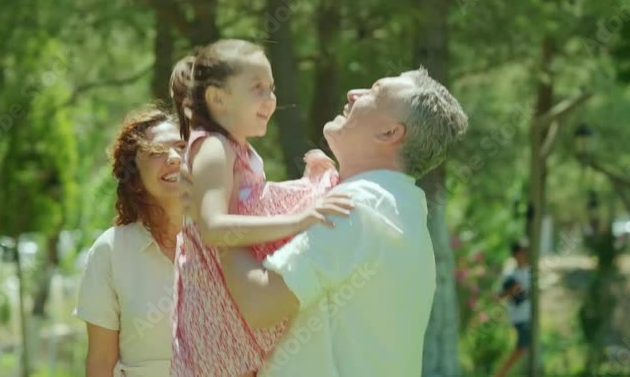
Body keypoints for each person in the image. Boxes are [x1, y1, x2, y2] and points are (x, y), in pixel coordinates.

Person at [184, 68, 468, 377]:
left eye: (373, 91)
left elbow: (259, 302)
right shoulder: (403, 212)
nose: (353, 93)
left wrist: (221, 213)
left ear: (389, 133)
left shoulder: (357, 209)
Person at [168, 39, 349, 377]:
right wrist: (300, 218)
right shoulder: (213, 148)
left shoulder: (235, 148)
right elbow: (214, 227)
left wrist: (307, 184)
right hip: (212, 315)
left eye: (272, 88)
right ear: (218, 99)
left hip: (228, 304)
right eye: (257, 89)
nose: (270, 99)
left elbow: (254, 203)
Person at [75, 106, 186, 377]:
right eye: (156, 152)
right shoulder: (110, 252)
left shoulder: (225, 241)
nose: (173, 157)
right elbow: (100, 362)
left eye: (181, 147)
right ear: (134, 179)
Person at [493, 239, 531, 377]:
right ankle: (500, 374)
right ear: (516, 255)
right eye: (522, 252)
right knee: (522, 348)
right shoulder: (510, 275)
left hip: (531, 315)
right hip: (519, 316)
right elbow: (498, 297)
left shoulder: (531, 271)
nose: (525, 255)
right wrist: (512, 290)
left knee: (526, 348)